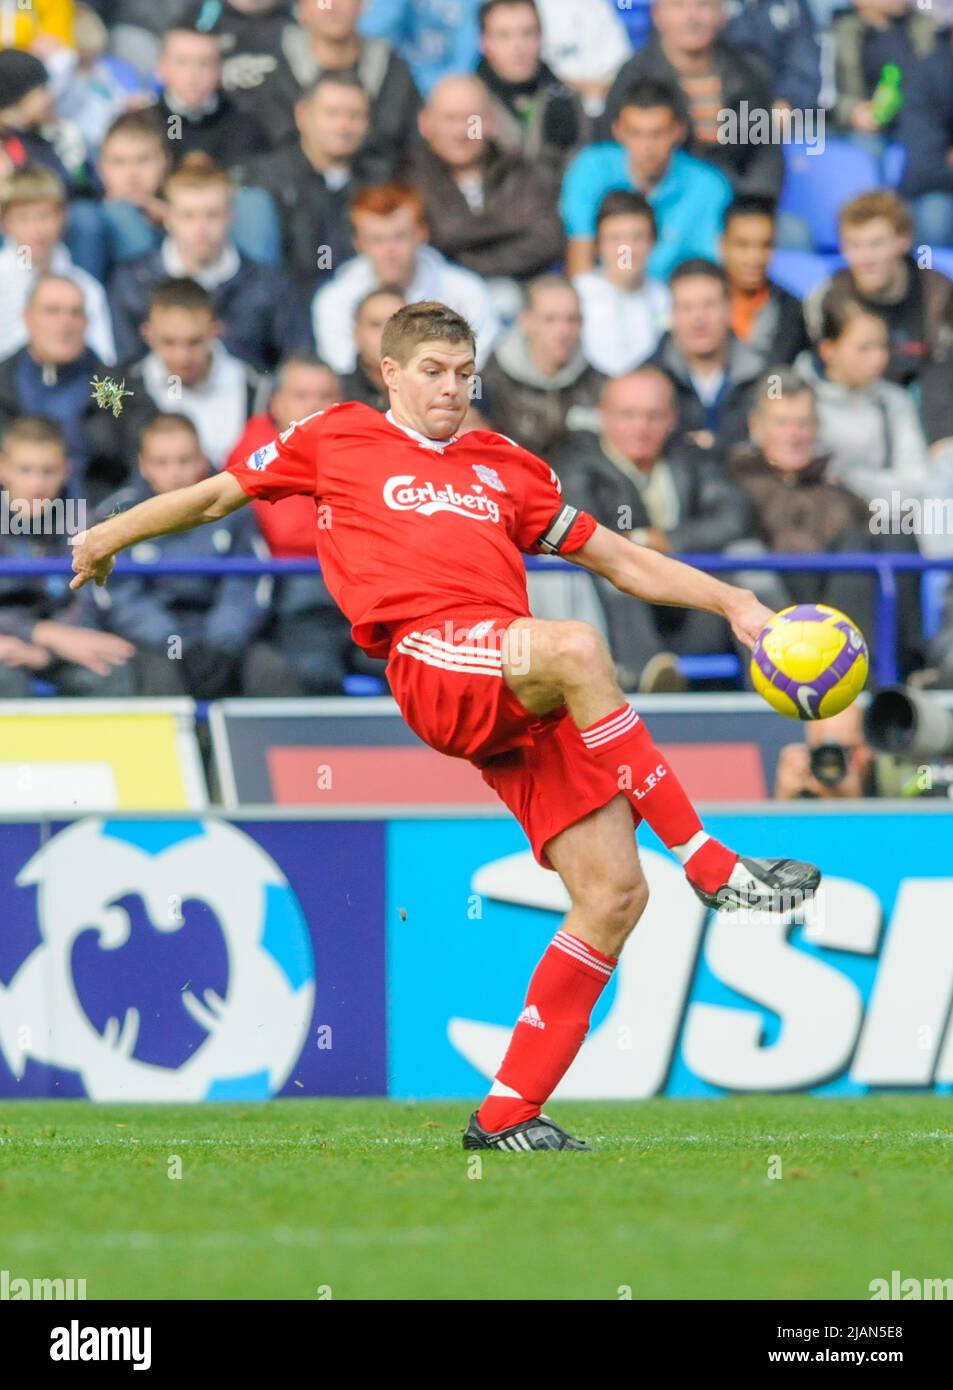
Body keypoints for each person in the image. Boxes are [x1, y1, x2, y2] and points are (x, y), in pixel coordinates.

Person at [70, 297, 820, 1152]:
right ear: (389, 372)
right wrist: (108, 535)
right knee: (578, 646)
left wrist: (732, 599)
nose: (451, 389)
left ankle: (506, 1118)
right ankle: (710, 860)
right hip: (433, 662)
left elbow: (613, 557)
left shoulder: (505, 462)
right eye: (432, 371)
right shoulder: (337, 435)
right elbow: (213, 499)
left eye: (464, 373)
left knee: (613, 893)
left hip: (514, 686)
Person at [553, 368, 756, 691]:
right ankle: (645, 679)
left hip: (692, 599)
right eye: (628, 415)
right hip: (620, 599)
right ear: (603, 415)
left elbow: (734, 516)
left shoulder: (690, 457)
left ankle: (770, 683)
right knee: (608, 576)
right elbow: (581, 531)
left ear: (672, 418)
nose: (641, 427)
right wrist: (641, 547)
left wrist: (669, 541)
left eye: (653, 416)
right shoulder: (576, 463)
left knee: (748, 558)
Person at [86, 412, 274, 698]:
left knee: (273, 673)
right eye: (162, 462)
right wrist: (175, 642)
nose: (174, 473)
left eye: (184, 460)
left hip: (222, 637)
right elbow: (117, 594)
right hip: (153, 640)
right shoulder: (115, 515)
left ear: (202, 460)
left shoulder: (237, 509)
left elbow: (249, 582)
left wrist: (222, 641)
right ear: (143, 465)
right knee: (162, 683)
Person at [107, 152, 311, 371]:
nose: (200, 229)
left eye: (212, 215)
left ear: (230, 216)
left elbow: (297, 363)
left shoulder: (269, 285)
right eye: (188, 215)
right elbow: (124, 373)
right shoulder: (133, 282)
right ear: (168, 217)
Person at [0, 414, 135, 697]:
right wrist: (37, 632)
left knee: (114, 672)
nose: (37, 484)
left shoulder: (85, 524)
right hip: (7, 645)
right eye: (25, 470)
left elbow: (98, 598)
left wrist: (50, 644)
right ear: (3, 468)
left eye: (48, 471)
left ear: (65, 470)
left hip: (64, 645)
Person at [804, 191, 953, 440]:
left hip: (934, 411)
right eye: (854, 245)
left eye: (876, 244)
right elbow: (817, 376)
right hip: (858, 417)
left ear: (903, 240)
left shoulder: (939, 292)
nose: (864, 258)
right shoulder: (828, 298)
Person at [401, 74, 565, 296]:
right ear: (425, 124)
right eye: (450, 119)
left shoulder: (520, 172)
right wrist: (506, 228)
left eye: (472, 121)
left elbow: (547, 239)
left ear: (491, 122)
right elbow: (431, 243)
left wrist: (464, 256)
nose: (461, 132)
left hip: (523, 295)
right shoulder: (407, 179)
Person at [603, 0, 784, 200]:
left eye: (704, 5)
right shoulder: (634, 77)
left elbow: (765, 153)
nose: (691, 17)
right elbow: (609, 153)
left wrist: (751, 207)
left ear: (722, 15)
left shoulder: (747, 72)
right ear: (657, 15)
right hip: (659, 205)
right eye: (677, 6)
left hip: (737, 203)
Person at [312, 182, 500, 373]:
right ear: (358, 243)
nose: (389, 251)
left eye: (399, 236)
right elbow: (342, 370)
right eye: (377, 239)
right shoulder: (336, 300)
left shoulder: (466, 292)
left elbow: (474, 367)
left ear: (421, 234)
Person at [561, 78, 732, 281]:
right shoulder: (591, 168)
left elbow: (706, 271)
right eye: (636, 133)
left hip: (674, 303)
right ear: (618, 131)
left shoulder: (709, 187)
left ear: (679, 131)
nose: (647, 147)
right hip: (605, 296)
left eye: (657, 134)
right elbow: (581, 250)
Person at [236, 72, 390, 298]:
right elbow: (257, 271)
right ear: (302, 116)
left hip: (361, 309)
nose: (343, 126)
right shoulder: (264, 180)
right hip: (284, 308)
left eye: (355, 115)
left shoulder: (380, 182)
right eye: (331, 113)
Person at [794, 293, 933, 508]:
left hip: (884, 524)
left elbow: (916, 483)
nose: (878, 358)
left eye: (882, 346)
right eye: (864, 348)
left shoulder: (894, 400)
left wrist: (851, 481)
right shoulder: (795, 399)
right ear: (828, 350)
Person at [0, 273, 127, 504]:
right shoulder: (4, 382)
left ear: (87, 322)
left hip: (95, 517)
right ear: (27, 318)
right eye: (52, 311)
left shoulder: (116, 387)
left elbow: (134, 465)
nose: (65, 323)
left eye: (75, 313)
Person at [116, 277, 263, 469]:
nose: (182, 356)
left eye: (194, 342)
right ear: (148, 334)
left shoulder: (255, 387)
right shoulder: (122, 390)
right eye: (169, 342)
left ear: (216, 332)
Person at [258, 0, 420, 162]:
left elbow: (412, 146)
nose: (332, 6)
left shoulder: (394, 71)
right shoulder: (272, 72)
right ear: (302, 8)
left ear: (362, 5)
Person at [0, 163, 116, 364]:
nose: (36, 230)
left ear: (63, 217)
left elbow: (104, 362)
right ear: (5, 224)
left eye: (44, 216)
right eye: (23, 218)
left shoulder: (87, 288)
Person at [646, 258, 763, 454]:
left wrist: (718, 444)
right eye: (686, 307)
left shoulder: (767, 377)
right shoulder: (647, 379)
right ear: (671, 314)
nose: (698, 319)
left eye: (708, 305)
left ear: (729, 309)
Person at [480, 274, 605, 457]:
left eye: (572, 319)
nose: (563, 331)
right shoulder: (487, 383)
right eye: (550, 319)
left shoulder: (599, 385)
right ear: (525, 322)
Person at [476, 0, 586, 188]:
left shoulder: (566, 100)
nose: (518, 47)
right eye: (504, 35)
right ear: (484, 43)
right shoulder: (468, 107)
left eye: (527, 33)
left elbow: (579, 171)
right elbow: (465, 165)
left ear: (541, 37)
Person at [571, 189, 670, 376]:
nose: (626, 250)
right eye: (615, 239)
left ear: (653, 242)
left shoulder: (666, 298)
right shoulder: (575, 295)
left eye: (637, 237)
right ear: (598, 246)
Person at [152, 25, 271, 170]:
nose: (193, 74)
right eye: (182, 62)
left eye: (204, 63)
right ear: (161, 68)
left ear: (219, 69)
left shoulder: (241, 124)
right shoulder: (144, 124)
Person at [721, 196, 808, 369]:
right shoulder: (700, 303)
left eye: (765, 245)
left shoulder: (791, 311)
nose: (755, 258)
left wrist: (770, 393)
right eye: (742, 245)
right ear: (723, 245)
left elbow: (779, 373)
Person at [829, 0, 935, 142]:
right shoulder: (840, 33)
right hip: (862, 132)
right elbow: (822, 94)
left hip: (917, 123)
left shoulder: (923, 27)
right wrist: (853, 112)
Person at [898, 29, 953, 245]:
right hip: (939, 190)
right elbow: (924, 168)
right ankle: (933, 277)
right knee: (935, 216)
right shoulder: (925, 74)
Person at [722, 0, 821, 112]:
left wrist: (788, 100)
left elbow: (804, 62)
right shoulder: (719, 6)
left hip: (772, 107)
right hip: (721, 100)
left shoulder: (793, 6)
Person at [341, 286, 406, 410]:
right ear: (357, 334)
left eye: (396, 324)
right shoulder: (335, 393)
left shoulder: (431, 390)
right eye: (375, 324)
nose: (386, 333)